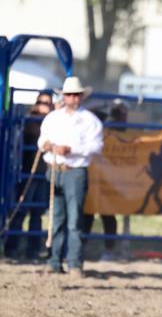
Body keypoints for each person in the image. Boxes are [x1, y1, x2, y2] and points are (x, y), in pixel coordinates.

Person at [38, 77, 103, 277]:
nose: (72, 98)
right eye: (69, 94)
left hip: (75, 171)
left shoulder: (90, 120)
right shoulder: (53, 118)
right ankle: (54, 260)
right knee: (56, 218)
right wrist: (46, 145)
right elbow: (42, 140)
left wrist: (72, 150)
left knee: (74, 220)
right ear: (64, 96)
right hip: (54, 168)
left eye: (75, 94)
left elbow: (96, 146)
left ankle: (75, 263)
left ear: (81, 96)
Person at [3, 90, 54, 261]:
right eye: (42, 102)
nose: (44, 106)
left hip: (43, 174)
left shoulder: (53, 122)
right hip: (28, 173)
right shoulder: (30, 122)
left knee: (37, 213)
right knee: (21, 211)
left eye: (48, 103)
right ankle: (12, 248)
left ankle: (33, 250)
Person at [84, 99, 128, 261]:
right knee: (88, 212)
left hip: (107, 175)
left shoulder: (116, 129)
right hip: (93, 172)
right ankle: (84, 246)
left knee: (106, 213)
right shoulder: (92, 123)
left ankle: (107, 249)